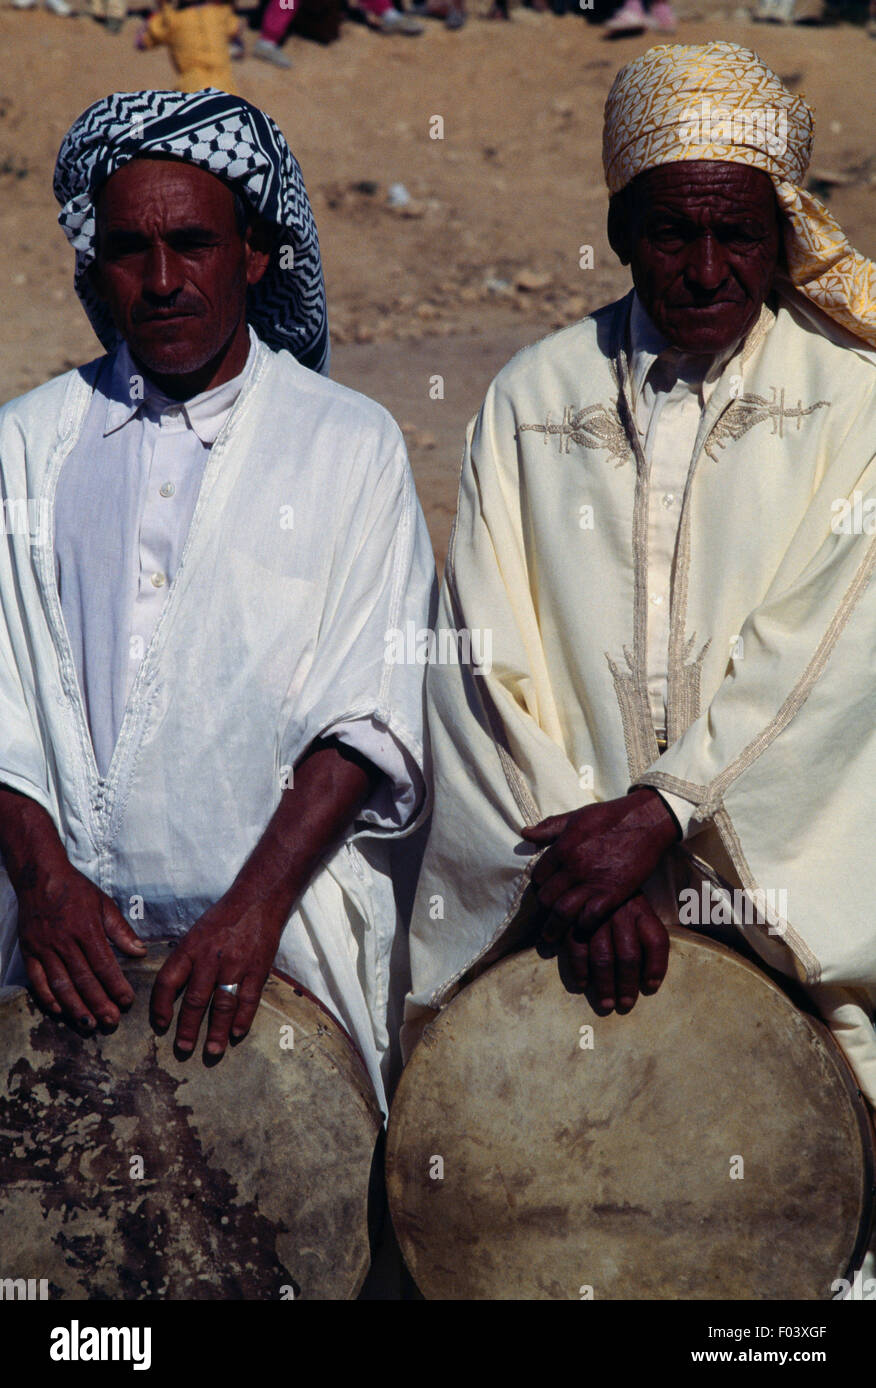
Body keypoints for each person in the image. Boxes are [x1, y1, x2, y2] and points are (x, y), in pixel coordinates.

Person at [405, 39, 876, 1275]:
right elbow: (485, 648)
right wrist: (588, 854)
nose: (707, 269)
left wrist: (666, 818)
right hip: (574, 901)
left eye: (740, 235)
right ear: (619, 227)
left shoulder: (855, 406)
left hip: (778, 905)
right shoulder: (529, 395)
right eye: (671, 232)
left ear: (786, 235)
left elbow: (825, 662)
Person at [0, 88, 435, 1118]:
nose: (160, 282)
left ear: (253, 254)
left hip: (280, 943)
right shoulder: (26, 442)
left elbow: (368, 708)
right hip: (62, 950)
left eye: (193, 244)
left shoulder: (348, 442)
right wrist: (47, 884)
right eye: (127, 251)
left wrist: (253, 909)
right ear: (93, 265)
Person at [136, 0, 244, 93]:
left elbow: (142, 42)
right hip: (221, 85)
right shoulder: (220, 13)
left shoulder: (171, 19)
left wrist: (160, 9)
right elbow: (237, 28)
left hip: (195, 85)